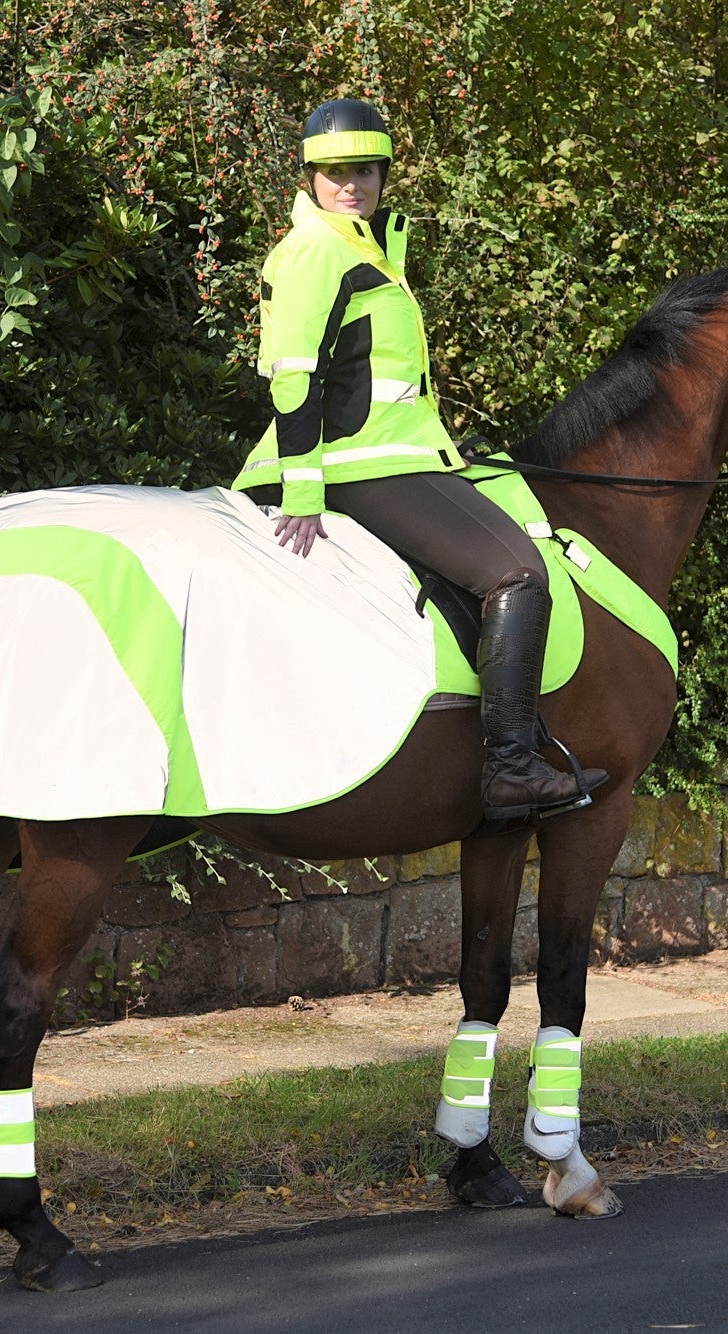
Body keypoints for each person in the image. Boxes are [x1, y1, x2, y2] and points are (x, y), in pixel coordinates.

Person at [229, 97, 606, 823]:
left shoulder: (371, 251)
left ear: (382, 174)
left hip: (391, 457)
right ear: (310, 177)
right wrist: (304, 491)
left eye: (364, 170)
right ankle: (510, 768)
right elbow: (292, 376)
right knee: (520, 571)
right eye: (335, 172)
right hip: (351, 467)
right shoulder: (317, 251)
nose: (351, 184)